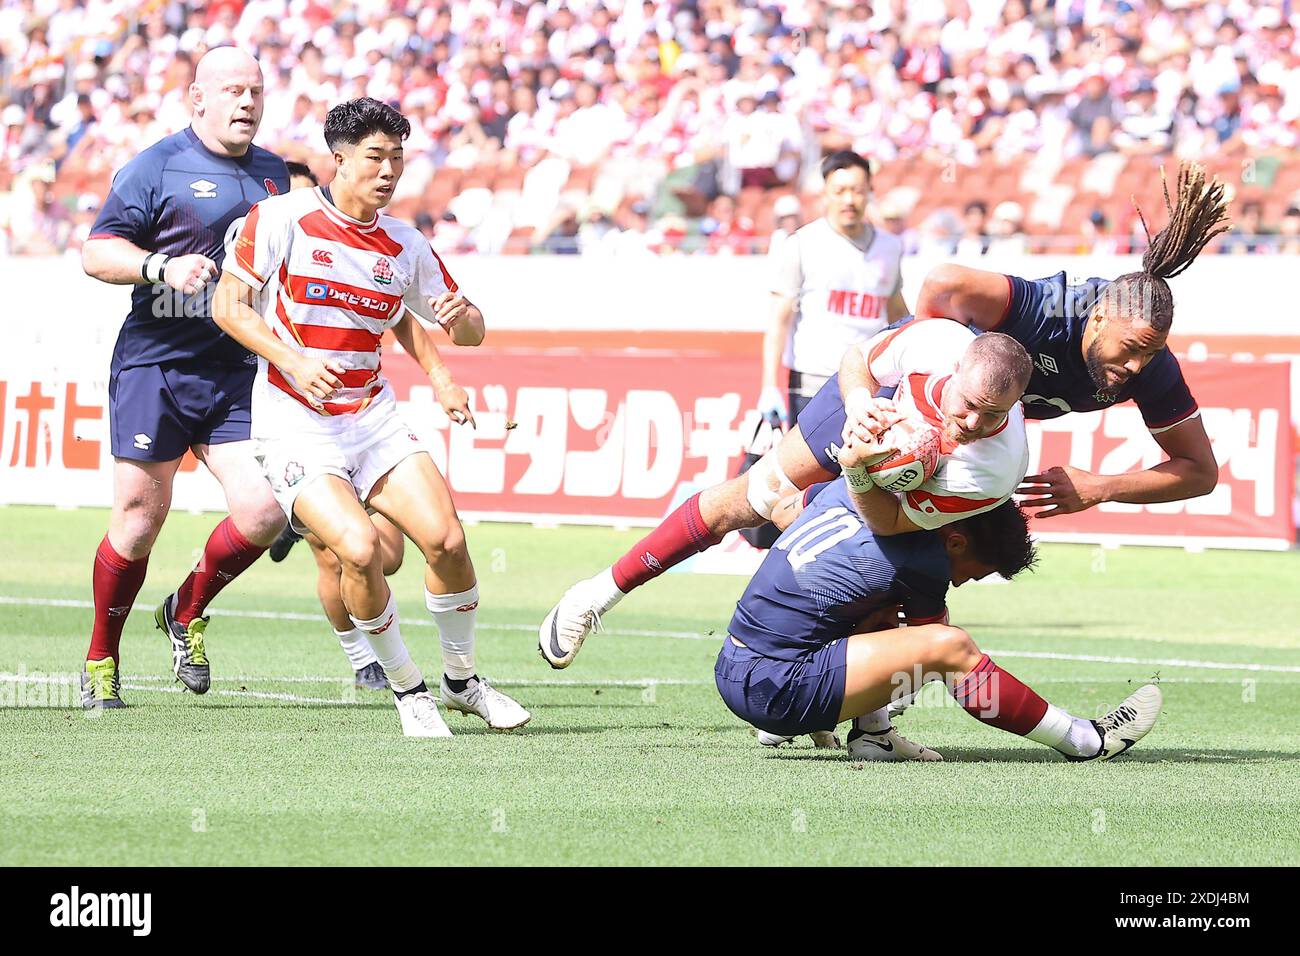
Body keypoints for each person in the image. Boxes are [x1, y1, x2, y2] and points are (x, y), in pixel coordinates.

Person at [212, 97, 529, 737]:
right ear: (340, 159)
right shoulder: (281, 219)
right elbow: (229, 307)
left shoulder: (406, 243)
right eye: (375, 158)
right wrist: (293, 360)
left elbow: (466, 329)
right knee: (359, 552)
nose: (388, 172)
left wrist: (461, 326)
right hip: (294, 421)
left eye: (397, 159)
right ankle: (409, 692)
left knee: (448, 541)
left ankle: (462, 679)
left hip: (372, 418)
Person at [541, 319, 1033, 669]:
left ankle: (867, 723)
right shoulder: (935, 339)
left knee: (894, 561)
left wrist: (851, 478)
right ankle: (592, 596)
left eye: (993, 415)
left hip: (902, 487)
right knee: (749, 500)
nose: (973, 423)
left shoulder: (994, 469)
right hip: (877, 405)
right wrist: (861, 404)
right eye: (968, 405)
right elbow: (857, 360)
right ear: (956, 371)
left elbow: (887, 524)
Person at [78, 48, 290, 709]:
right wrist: (159, 268)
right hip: (156, 365)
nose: (248, 102)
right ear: (197, 99)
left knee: (265, 510)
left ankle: (185, 607)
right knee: (140, 521)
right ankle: (100, 659)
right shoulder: (155, 166)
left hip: (232, 368)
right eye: (232, 91)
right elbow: (96, 250)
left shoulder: (275, 174)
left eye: (256, 90)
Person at [716, 480, 1162, 762]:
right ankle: (1085, 740)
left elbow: (788, 508)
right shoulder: (923, 558)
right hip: (776, 685)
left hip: (737, 665)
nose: (965, 582)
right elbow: (935, 655)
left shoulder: (850, 490)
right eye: (976, 571)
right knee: (949, 646)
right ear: (954, 540)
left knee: (880, 609)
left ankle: (873, 736)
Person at [893, 162, 1228, 518]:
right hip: (910, 399)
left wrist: (1102, 488)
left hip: (979, 432)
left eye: (1150, 353)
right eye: (1131, 349)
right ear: (1098, 319)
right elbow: (944, 283)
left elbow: (1201, 472)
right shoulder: (1048, 311)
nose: (1137, 365)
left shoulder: (1152, 367)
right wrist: (920, 396)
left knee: (990, 550)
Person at [758, 150, 909, 429]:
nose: (849, 200)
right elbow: (778, 321)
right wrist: (769, 386)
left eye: (857, 191)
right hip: (812, 384)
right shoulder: (802, 244)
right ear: (825, 194)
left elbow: (897, 313)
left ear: (869, 193)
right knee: (807, 472)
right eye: (839, 191)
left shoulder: (890, 247)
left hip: (869, 386)